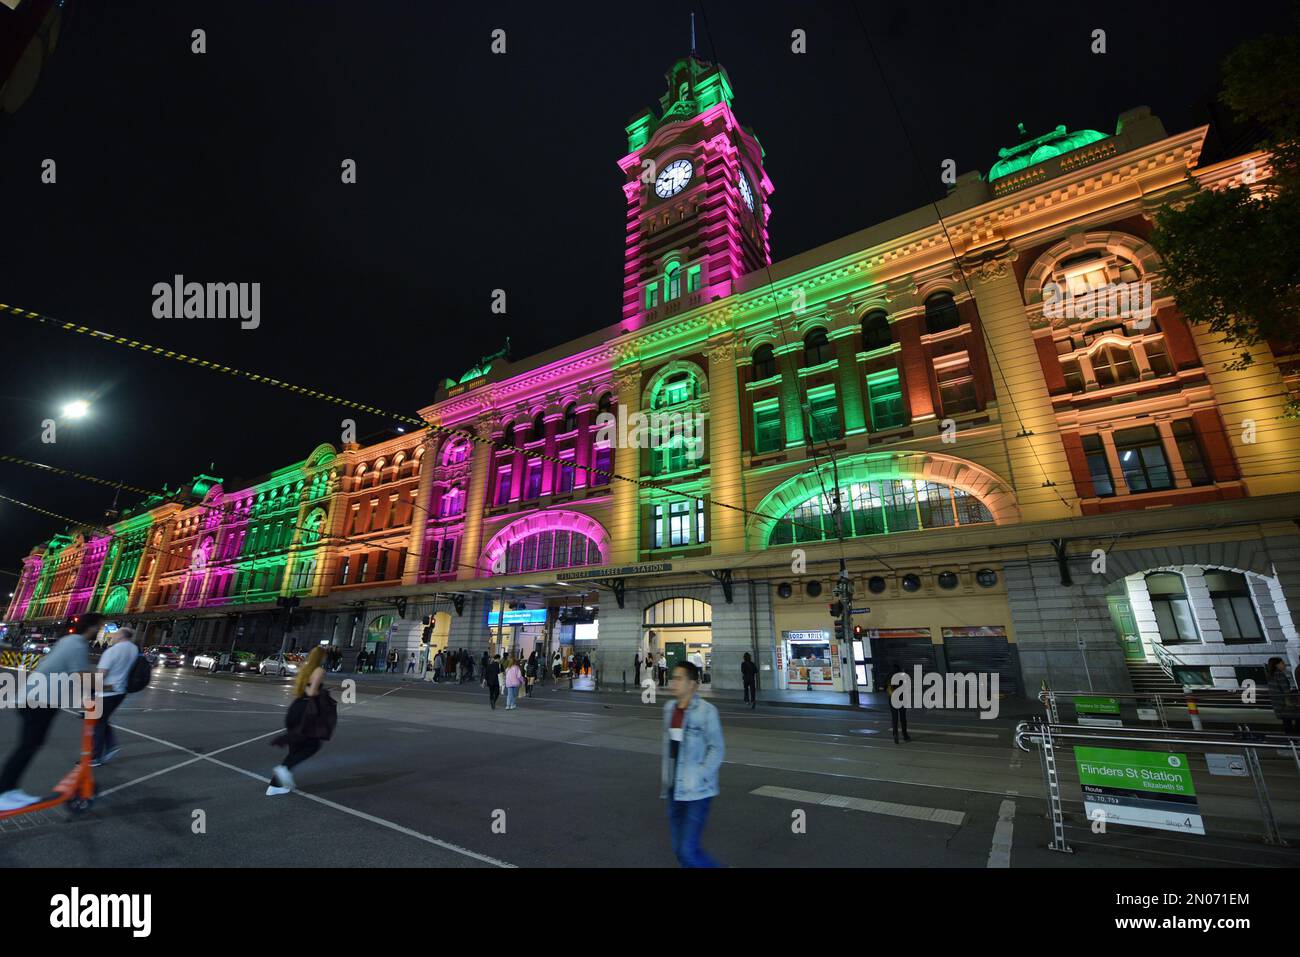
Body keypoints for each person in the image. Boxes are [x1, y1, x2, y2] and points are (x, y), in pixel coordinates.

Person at [0, 613, 99, 811]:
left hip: (37, 697)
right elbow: (82, 676)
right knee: (28, 746)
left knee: (31, 745)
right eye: (99, 626)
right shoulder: (77, 644)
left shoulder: (67, 640)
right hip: (40, 700)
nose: (99, 630)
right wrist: (109, 686)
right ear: (93, 627)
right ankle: (4, 793)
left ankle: (9, 790)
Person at [661, 660, 724, 868]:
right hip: (674, 790)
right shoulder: (669, 709)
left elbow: (717, 749)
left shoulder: (707, 711)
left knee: (688, 851)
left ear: (692, 684)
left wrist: (699, 774)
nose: (673, 682)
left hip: (697, 791)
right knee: (680, 851)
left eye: (679, 678)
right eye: (673, 677)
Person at [267, 646, 333, 795]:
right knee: (313, 745)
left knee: (296, 746)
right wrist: (323, 693)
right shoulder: (319, 671)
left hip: (296, 707)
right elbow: (311, 692)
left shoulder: (304, 668)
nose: (326, 658)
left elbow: (302, 689)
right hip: (307, 710)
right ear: (321, 657)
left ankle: (275, 786)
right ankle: (283, 770)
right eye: (325, 656)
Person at [92, 626, 140, 766]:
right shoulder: (134, 649)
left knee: (97, 723)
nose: (113, 636)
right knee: (102, 720)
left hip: (106, 691)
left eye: (115, 634)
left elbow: (102, 674)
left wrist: (91, 692)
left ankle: (95, 757)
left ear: (121, 636)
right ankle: (111, 745)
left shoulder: (112, 651)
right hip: (121, 691)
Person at [1267, 657, 1299, 734]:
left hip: (1277, 705)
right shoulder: (1280, 675)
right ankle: (1295, 738)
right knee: (1297, 717)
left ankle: (1291, 739)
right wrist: (1296, 703)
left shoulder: (1271, 675)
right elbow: (1286, 692)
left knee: (1287, 723)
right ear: (1277, 665)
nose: (1284, 665)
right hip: (1284, 706)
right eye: (1282, 663)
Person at [886, 660, 911, 744]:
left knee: (894, 718)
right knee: (903, 718)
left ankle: (895, 735)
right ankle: (905, 735)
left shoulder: (888, 676)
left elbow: (883, 686)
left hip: (892, 699)